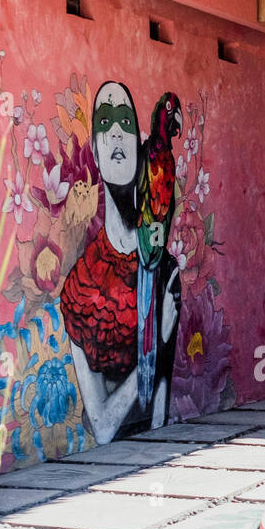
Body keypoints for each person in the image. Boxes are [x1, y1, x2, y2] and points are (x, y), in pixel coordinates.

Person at [61, 80, 180, 444]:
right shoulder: (78, 289)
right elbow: (101, 426)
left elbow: (159, 415)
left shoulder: (166, 274)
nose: (115, 133)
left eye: (125, 123)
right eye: (105, 123)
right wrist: (156, 344)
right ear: (94, 151)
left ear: (140, 147)